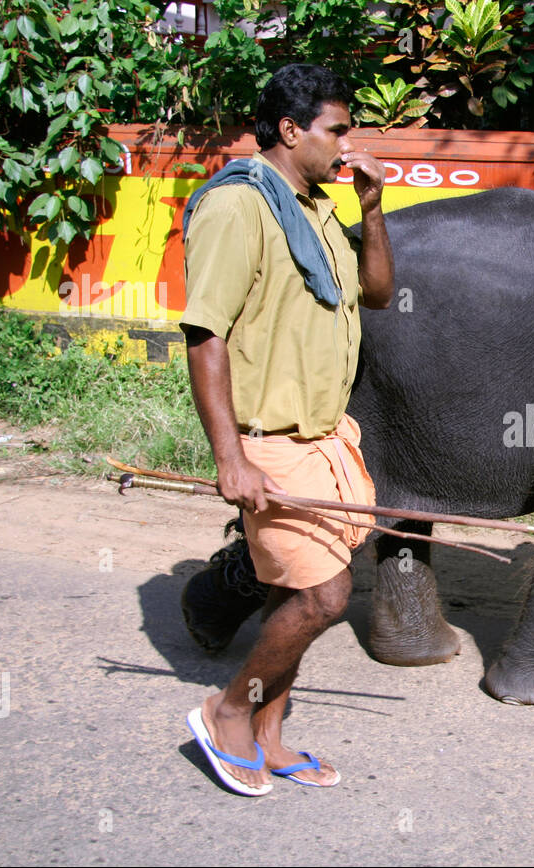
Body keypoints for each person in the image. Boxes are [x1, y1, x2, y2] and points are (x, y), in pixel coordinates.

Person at [178, 63, 393, 796]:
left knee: (287, 596)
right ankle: (229, 713)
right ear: (293, 129)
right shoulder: (239, 206)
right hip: (270, 442)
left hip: (326, 440)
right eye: (338, 129)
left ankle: (270, 733)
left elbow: (380, 293)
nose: (347, 143)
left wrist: (373, 205)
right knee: (325, 598)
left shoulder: (319, 208)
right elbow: (204, 335)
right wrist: (230, 457)